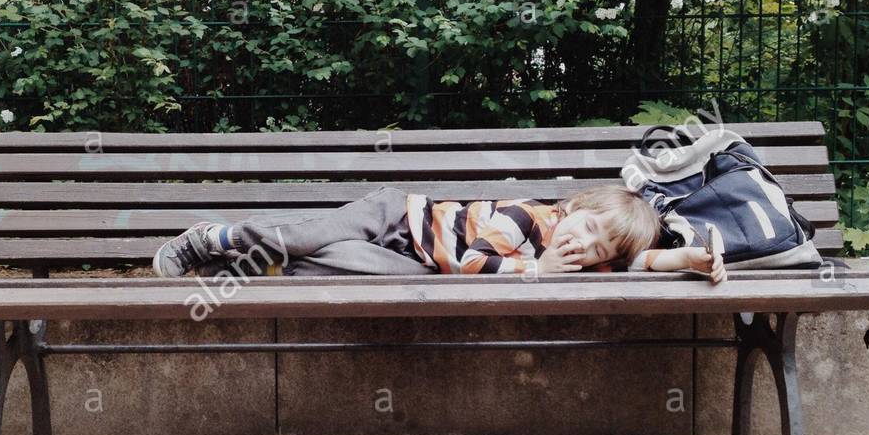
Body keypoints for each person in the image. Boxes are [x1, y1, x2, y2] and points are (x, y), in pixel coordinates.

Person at [151, 184, 725, 282]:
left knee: (345, 268)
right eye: (590, 226)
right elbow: (475, 265)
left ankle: (236, 272)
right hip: (397, 216)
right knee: (301, 238)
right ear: (573, 207)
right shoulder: (531, 220)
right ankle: (208, 241)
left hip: (421, 263)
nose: (588, 244)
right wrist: (537, 269)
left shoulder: (586, 260)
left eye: (601, 247)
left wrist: (691, 261)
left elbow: (632, 265)